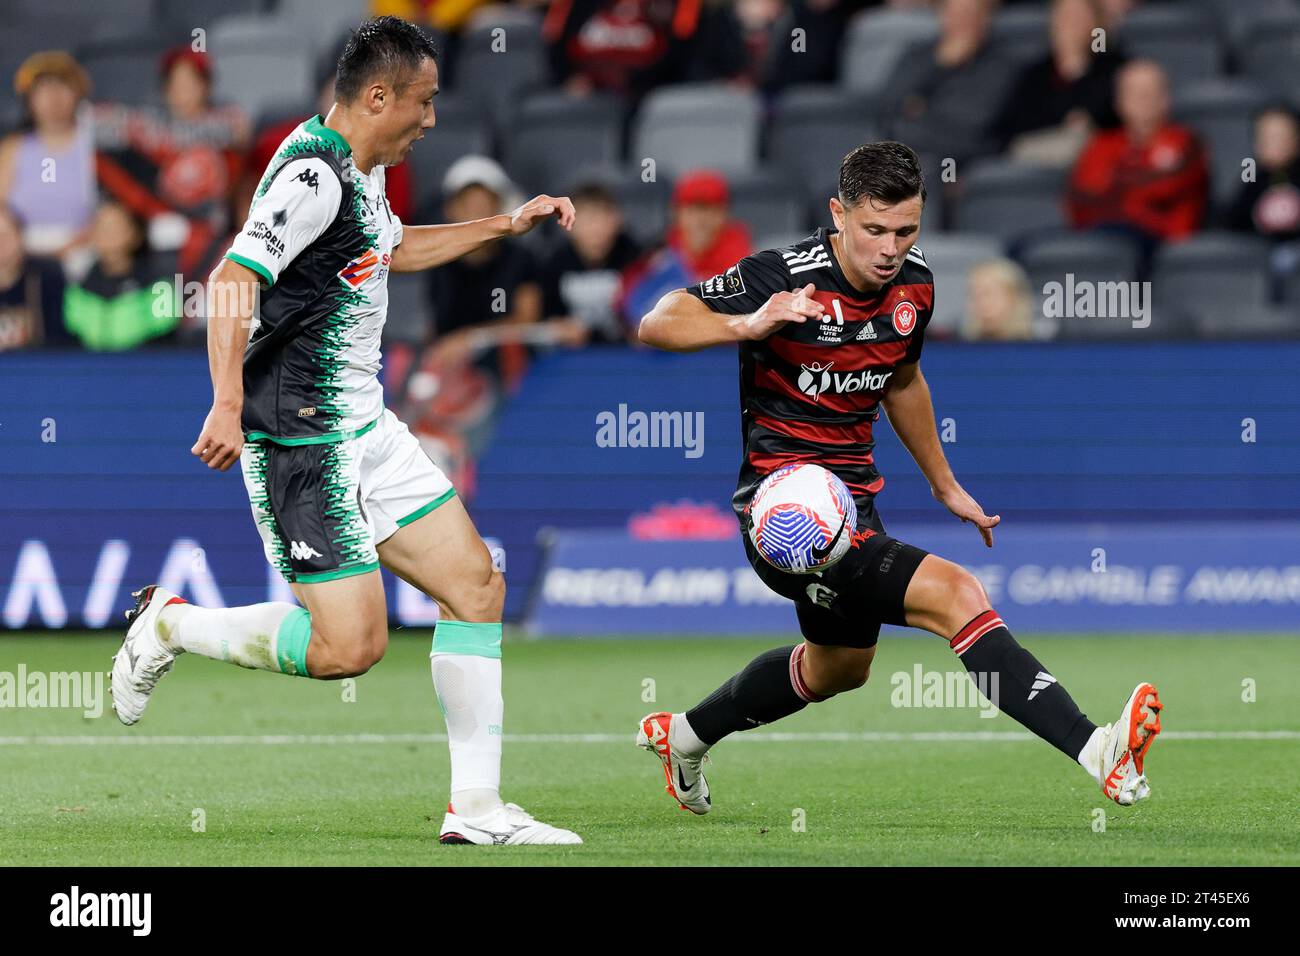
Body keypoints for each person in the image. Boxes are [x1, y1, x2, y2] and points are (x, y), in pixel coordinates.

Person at [109, 16, 581, 846]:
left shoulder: (361, 174)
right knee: (348, 649)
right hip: (301, 440)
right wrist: (224, 401)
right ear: (376, 96)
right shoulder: (312, 178)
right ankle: (170, 624)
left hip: (367, 425)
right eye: (424, 102)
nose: (432, 119)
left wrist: (500, 228)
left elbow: (389, 249)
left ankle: (475, 811)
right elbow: (229, 283)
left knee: (475, 587)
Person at [634, 141, 1163, 814]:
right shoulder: (782, 276)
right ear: (838, 215)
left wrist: (944, 483)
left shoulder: (915, 284)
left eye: (905, 230)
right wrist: (749, 322)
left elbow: (903, 379)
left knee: (837, 670)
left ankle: (683, 736)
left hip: (856, 504)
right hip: (787, 514)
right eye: (873, 230)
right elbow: (657, 321)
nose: (889, 248)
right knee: (956, 593)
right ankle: (1100, 752)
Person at [1066, 59, 1209, 252]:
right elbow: (1083, 196)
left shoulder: (1187, 143)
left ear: (1165, 99)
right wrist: (1133, 193)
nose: (1143, 99)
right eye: (1133, 92)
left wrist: (1118, 189)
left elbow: (1168, 187)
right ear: (1119, 101)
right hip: (1101, 234)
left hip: (1161, 240)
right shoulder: (1101, 145)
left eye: (1150, 91)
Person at [0, 51, 96, 259]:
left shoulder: (95, 145)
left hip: (85, 254)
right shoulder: (13, 148)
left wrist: (75, 245)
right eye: (43, 89)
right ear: (29, 100)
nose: (53, 97)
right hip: (20, 256)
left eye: (62, 86)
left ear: (78, 93)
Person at [64, 200, 178, 350]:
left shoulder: (159, 287)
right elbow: (71, 341)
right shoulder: (78, 290)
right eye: (102, 228)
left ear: (134, 233)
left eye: (116, 228)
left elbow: (166, 338)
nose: (108, 235)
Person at [539, 179, 641, 343]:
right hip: (572, 356)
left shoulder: (635, 257)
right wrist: (558, 327)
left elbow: (646, 311)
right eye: (587, 220)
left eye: (603, 218)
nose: (596, 229)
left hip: (625, 353)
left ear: (618, 221)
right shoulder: (555, 262)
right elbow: (546, 317)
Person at [0, 203, 68, 351]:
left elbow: (59, 339)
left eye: (6, 235)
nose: (1, 243)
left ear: (20, 237)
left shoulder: (47, 276)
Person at [963, 257, 1037, 341]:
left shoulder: (1038, 350)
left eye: (988, 294)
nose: (981, 304)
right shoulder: (957, 348)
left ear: (1013, 298)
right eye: (974, 296)